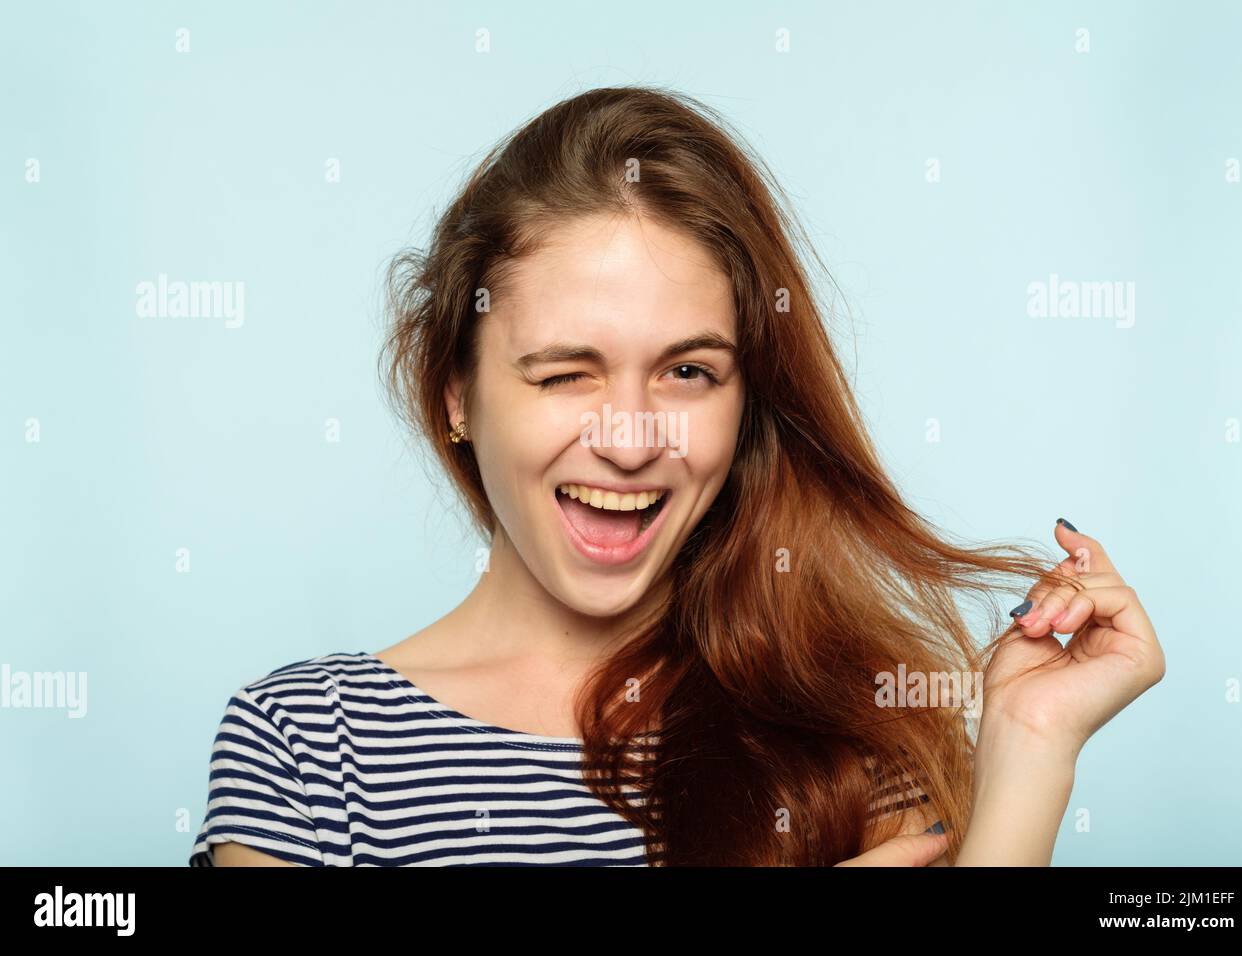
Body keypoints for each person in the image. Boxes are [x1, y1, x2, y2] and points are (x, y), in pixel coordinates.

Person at [189, 85, 1164, 867]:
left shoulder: (846, 740)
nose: (627, 436)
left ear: (745, 405)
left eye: (688, 370)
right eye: (566, 371)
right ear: (456, 392)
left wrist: (1030, 746)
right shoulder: (307, 749)